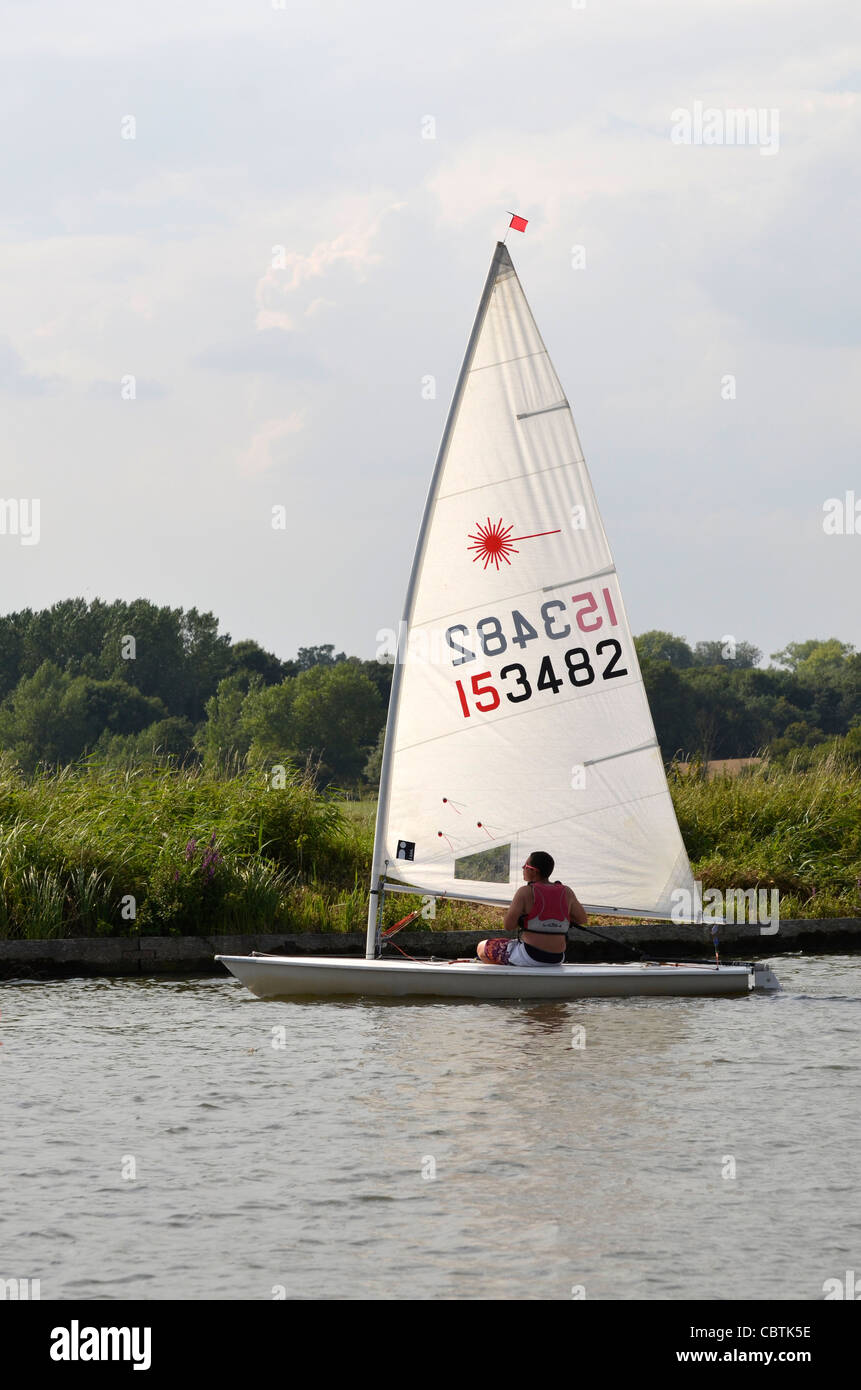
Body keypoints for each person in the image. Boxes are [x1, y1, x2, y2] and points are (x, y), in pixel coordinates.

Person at [477, 851, 588, 967]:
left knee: (482, 947)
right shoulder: (566, 891)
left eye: (525, 866)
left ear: (534, 871)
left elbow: (508, 926)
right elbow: (582, 919)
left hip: (530, 956)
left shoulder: (525, 892)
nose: (523, 868)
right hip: (557, 957)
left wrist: (523, 919)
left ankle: (511, 976)